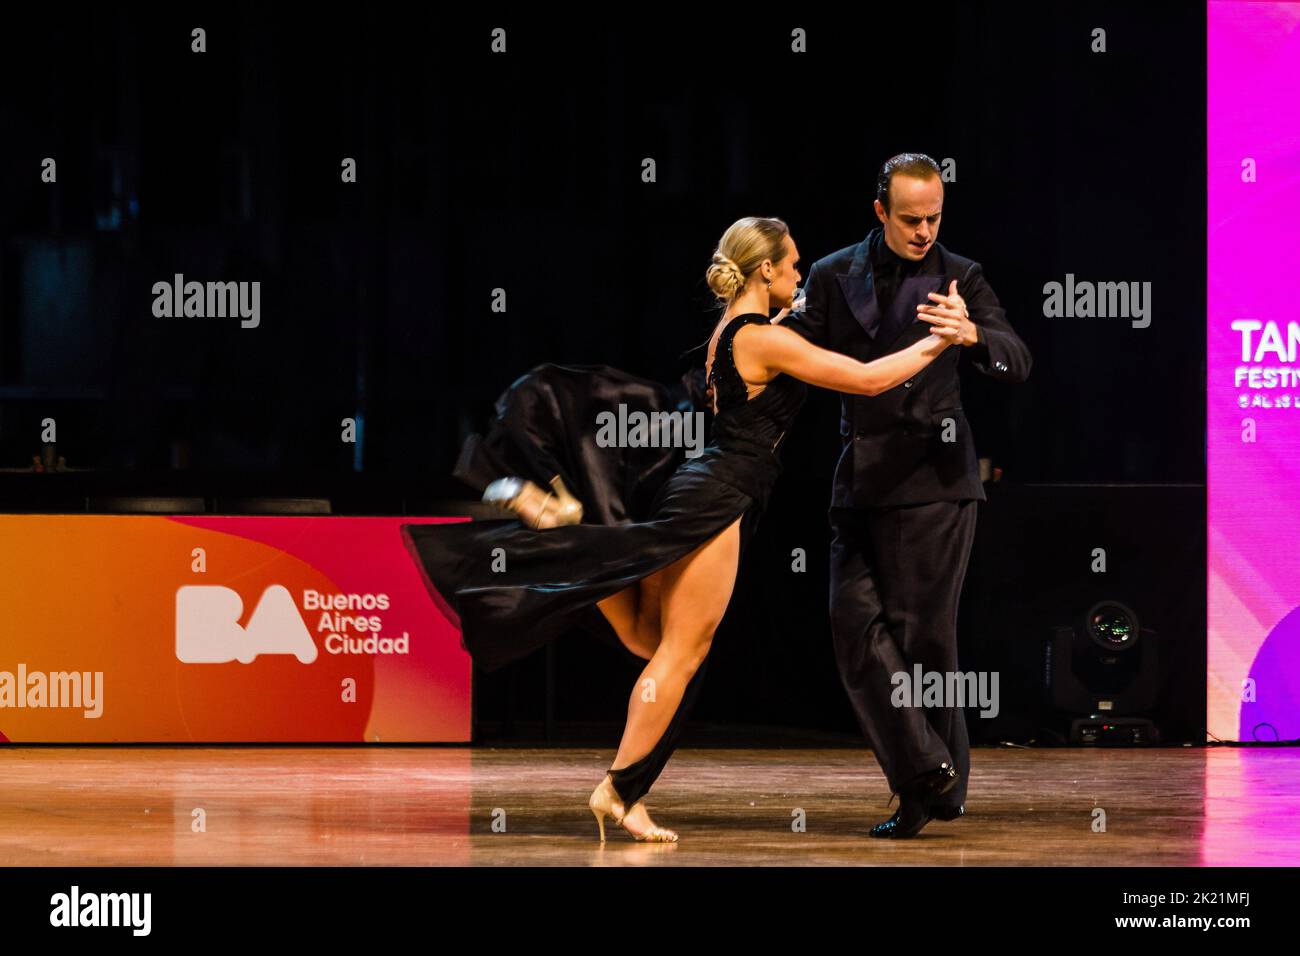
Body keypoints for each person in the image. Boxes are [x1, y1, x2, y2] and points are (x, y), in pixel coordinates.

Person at [401, 215, 964, 842]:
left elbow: (795, 326)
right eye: (793, 265)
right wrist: (942, 339)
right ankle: (619, 790)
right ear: (764, 270)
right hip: (719, 498)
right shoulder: (761, 340)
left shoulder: (735, 329)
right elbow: (865, 379)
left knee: (649, 638)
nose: (800, 275)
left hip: (708, 487)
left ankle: (572, 532)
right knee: (682, 652)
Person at [779, 154, 1032, 838]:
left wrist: (973, 335)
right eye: (911, 219)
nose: (924, 231)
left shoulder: (962, 277)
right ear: (881, 211)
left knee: (924, 637)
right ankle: (927, 768)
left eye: (934, 218)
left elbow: (1016, 354)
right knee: (851, 626)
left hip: (935, 483)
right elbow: (790, 349)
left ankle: (927, 789)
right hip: (860, 478)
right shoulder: (833, 275)